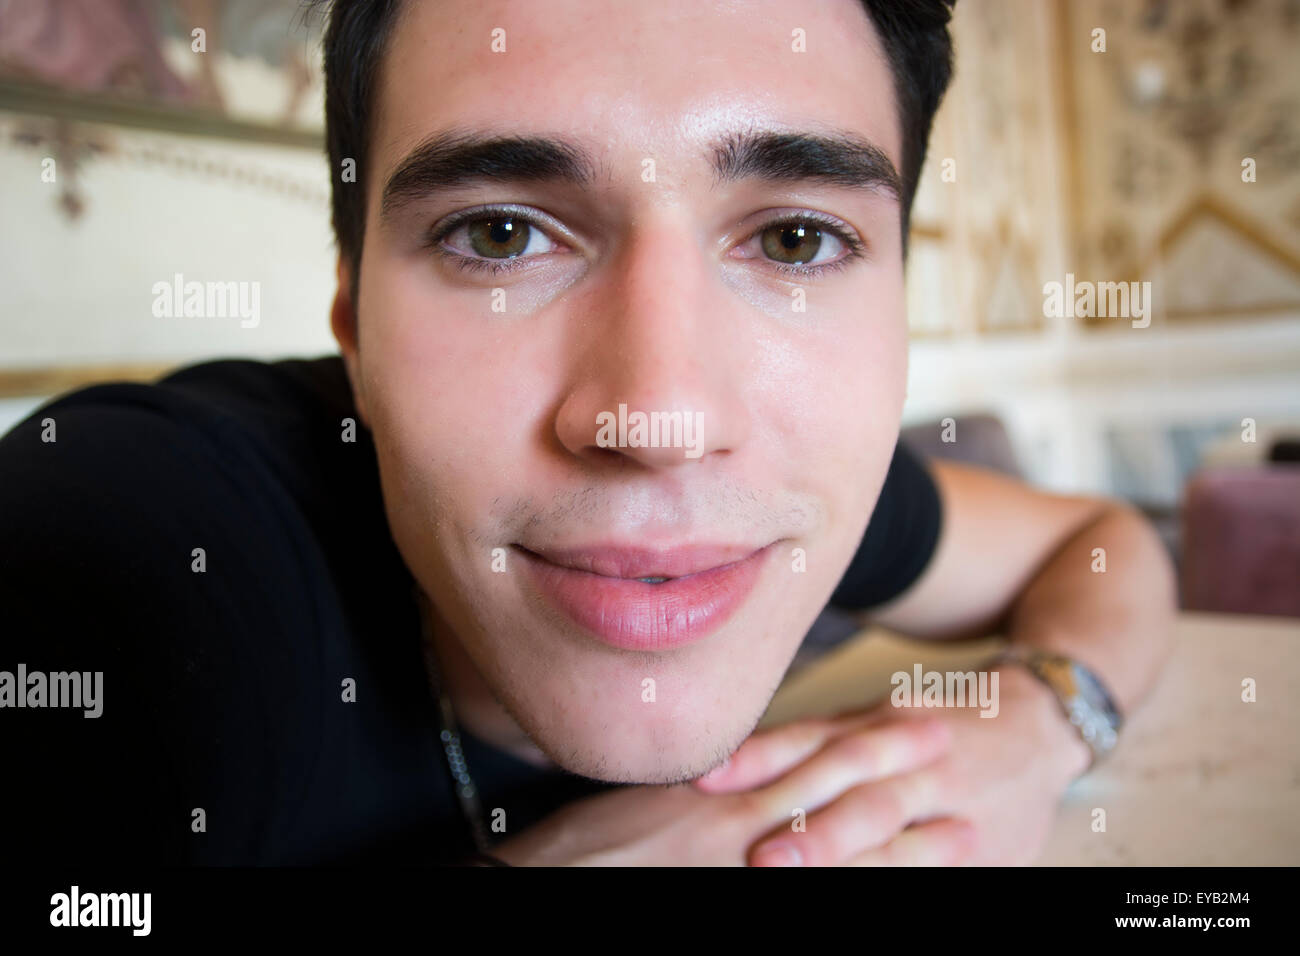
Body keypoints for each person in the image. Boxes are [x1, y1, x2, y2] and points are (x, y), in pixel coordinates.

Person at [0, 0, 1176, 866]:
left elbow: (1096, 541)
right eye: (502, 234)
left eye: (793, 241)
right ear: (354, 329)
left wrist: (1039, 724)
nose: (661, 420)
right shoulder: (141, 542)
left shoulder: (805, 491)